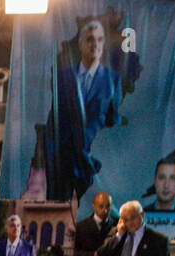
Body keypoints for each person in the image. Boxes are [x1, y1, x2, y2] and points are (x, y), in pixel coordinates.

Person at [45, 19, 122, 202]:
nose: (95, 44)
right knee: (59, 215)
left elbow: (112, 123)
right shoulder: (62, 77)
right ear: (80, 44)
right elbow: (53, 119)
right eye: (90, 39)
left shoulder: (112, 81)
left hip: (94, 165)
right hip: (63, 162)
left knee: (93, 221)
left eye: (100, 39)